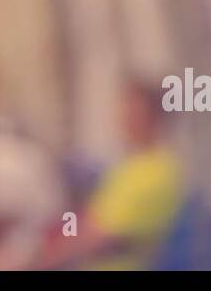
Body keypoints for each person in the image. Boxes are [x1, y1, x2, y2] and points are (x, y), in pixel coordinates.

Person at [38, 78, 184, 270]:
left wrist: (41, 259)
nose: (122, 116)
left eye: (132, 109)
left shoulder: (157, 172)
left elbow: (96, 236)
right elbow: (88, 220)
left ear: (152, 116)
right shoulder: (128, 166)